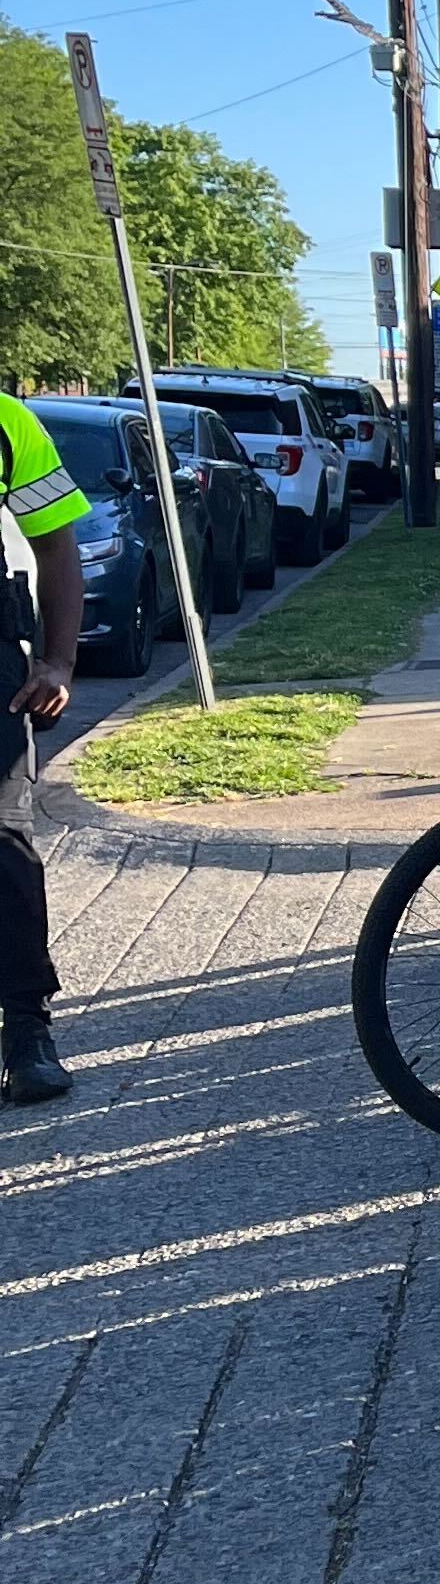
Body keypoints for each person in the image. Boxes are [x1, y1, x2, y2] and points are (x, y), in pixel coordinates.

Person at [1, 388, 89, 1106]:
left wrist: (57, 661)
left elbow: (56, 543)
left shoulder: (8, 421)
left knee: (4, 839)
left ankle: (27, 1030)